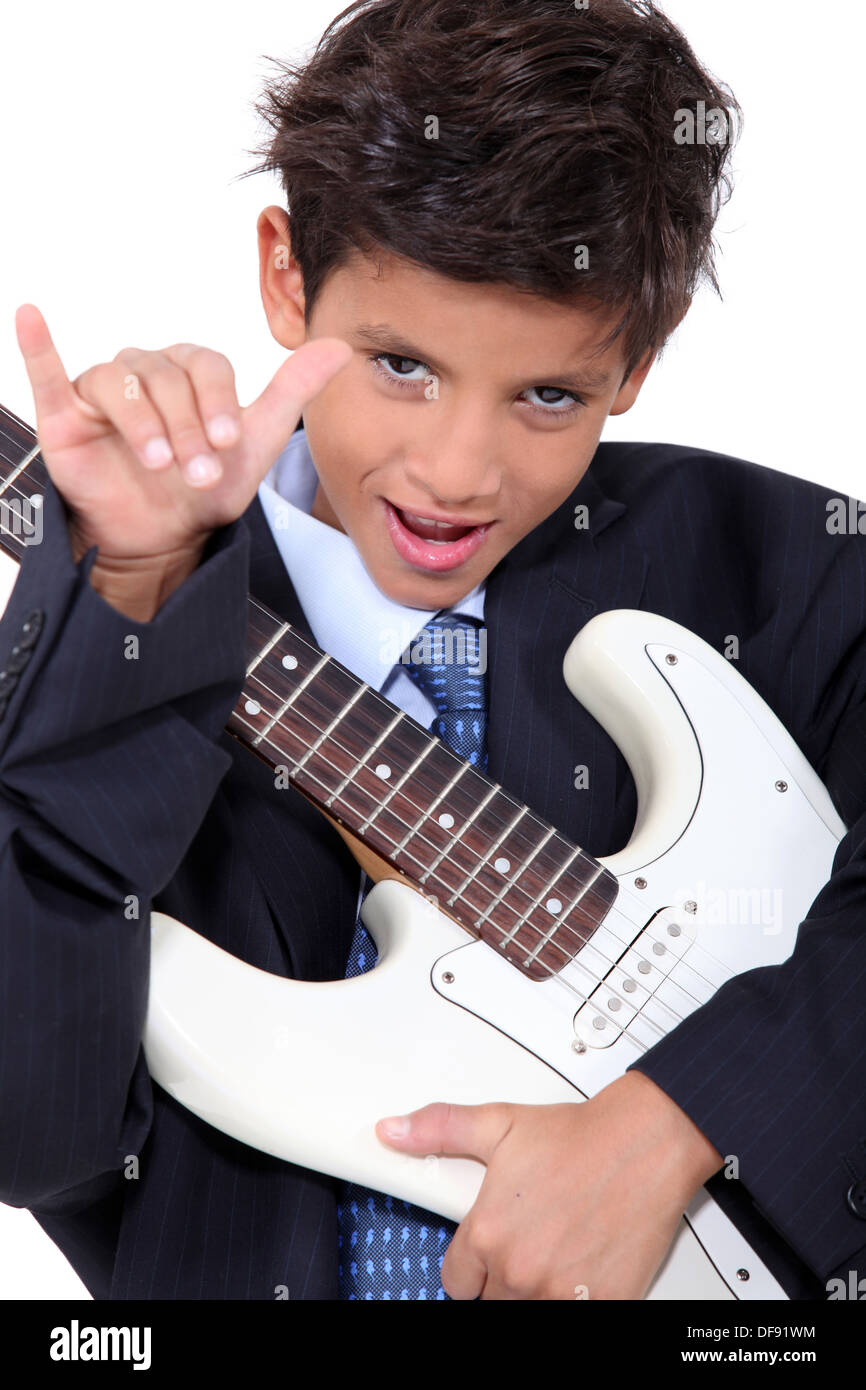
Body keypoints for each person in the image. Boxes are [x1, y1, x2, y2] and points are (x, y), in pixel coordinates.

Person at [1, 0, 864, 1301]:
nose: (456, 473)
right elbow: (30, 1131)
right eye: (399, 363)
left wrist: (678, 1115)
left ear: (644, 344)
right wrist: (127, 604)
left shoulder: (796, 568)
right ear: (287, 273)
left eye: (548, 394)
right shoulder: (105, 625)